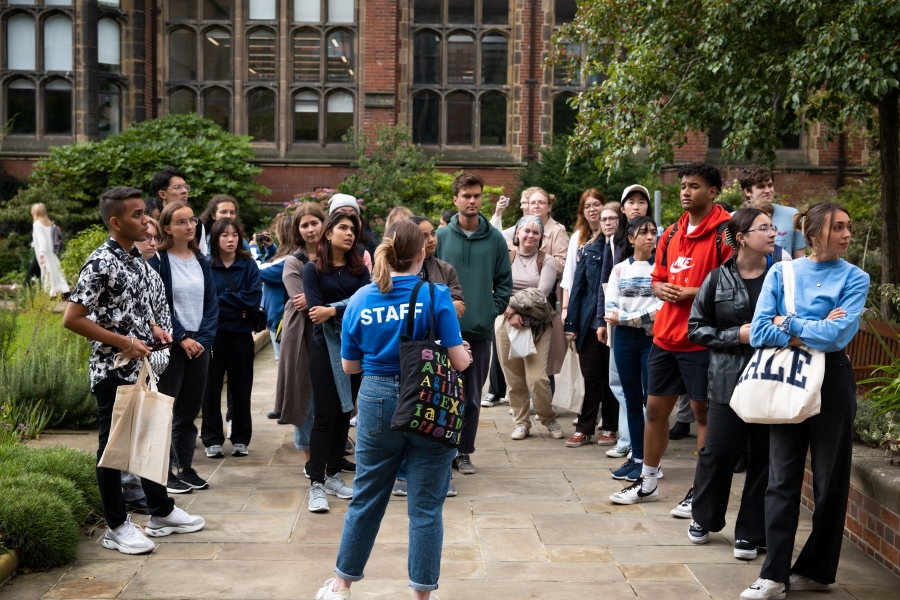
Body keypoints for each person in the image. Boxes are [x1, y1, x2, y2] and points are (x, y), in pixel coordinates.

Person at [315, 219, 470, 600]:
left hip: (377, 398)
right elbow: (460, 362)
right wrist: (460, 347)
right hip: (429, 401)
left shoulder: (361, 299)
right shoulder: (436, 296)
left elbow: (351, 367)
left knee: (367, 497)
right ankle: (421, 595)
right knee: (426, 508)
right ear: (422, 253)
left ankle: (341, 585)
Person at [63, 186, 204, 555]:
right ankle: (116, 525)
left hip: (141, 368)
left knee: (149, 439)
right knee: (113, 450)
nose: (146, 220)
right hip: (112, 371)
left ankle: (160, 511)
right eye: (138, 215)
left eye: (145, 212)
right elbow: (72, 318)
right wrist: (125, 342)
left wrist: (154, 328)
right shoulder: (100, 262)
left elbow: (135, 309)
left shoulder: (133, 259)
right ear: (116, 222)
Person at [740, 202, 869, 600]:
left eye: (849, 227)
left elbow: (837, 337)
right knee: (781, 480)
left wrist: (790, 323)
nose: (848, 234)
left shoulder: (856, 277)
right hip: (788, 378)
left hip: (832, 383)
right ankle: (773, 574)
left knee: (831, 483)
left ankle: (815, 571)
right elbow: (759, 331)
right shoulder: (783, 271)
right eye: (839, 228)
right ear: (813, 234)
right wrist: (811, 328)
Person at [610, 162, 732, 510]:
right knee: (654, 410)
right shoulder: (670, 234)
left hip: (702, 339)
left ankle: (701, 490)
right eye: (683, 186)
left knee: (703, 413)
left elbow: (733, 284)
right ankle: (647, 481)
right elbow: (658, 276)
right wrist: (662, 287)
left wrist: (691, 293)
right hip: (665, 336)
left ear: (712, 192)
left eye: (694, 186)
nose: (685, 191)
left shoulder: (725, 231)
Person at [684, 208, 781, 558]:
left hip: (771, 381)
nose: (772, 233)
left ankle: (750, 532)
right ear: (741, 238)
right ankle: (704, 516)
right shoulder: (716, 279)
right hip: (727, 380)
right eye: (764, 228)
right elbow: (696, 328)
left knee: (764, 459)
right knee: (718, 453)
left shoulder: (782, 277)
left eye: (773, 227)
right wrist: (736, 334)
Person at [435, 172, 513, 474]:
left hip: (479, 333)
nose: (472, 201)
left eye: (477, 195)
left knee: (471, 399)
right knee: (442, 396)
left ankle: (463, 451)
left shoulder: (494, 238)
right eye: (466, 196)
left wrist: (487, 310)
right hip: (442, 333)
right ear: (455, 199)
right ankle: (441, 452)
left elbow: (504, 283)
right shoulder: (439, 238)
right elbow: (427, 279)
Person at [392, 215, 466, 497]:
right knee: (408, 415)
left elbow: (459, 306)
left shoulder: (445, 269)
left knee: (441, 412)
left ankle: (442, 475)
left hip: (440, 353)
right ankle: (402, 476)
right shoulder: (397, 276)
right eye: (424, 235)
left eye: (433, 233)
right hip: (410, 356)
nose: (431, 239)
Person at [150, 201, 219, 495]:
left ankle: (185, 467)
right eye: (181, 222)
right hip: (171, 344)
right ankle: (163, 472)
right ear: (167, 228)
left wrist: (201, 340)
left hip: (198, 345)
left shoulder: (202, 261)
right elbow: (158, 304)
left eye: (191, 221)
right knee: (166, 409)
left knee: (189, 411)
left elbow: (211, 304)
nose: (189, 226)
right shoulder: (159, 261)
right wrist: (181, 338)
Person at [303, 211, 370, 513]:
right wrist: (338, 310)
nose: (349, 234)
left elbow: (367, 300)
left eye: (353, 230)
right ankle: (316, 483)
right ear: (328, 234)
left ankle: (332, 475)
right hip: (324, 347)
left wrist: (333, 311)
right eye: (343, 228)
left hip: (355, 346)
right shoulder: (311, 270)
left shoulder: (359, 271)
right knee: (325, 414)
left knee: (346, 412)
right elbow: (316, 311)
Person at [603, 216, 662, 481]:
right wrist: (636, 320)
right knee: (631, 400)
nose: (650, 237)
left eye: (653, 232)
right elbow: (610, 308)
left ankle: (653, 464)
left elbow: (661, 307)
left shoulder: (661, 269)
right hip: (625, 341)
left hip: (652, 340)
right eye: (644, 233)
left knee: (654, 403)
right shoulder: (618, 270)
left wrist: (627, 319)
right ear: (630, 238)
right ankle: (637, 457)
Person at [496, 216, 562, 441]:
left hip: (537, 325)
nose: (530, 236)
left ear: (541, 237)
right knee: (513, 377)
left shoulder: (547, 260)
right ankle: (522, 423)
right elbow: (494, 288)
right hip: (506, 324)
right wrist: (509, 314)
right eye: (526, 231)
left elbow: (540, 295)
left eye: (536, 232)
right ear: (517, 233)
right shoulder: (506, 257)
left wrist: (513, 309)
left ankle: (548, 418)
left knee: (537, 378)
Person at [201, 218, 263, 459]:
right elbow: (206, 301)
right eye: (224, 235)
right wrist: (235, 303)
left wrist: (221, 302)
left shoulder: (247, 264)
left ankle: (240, 438)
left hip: (240, 335)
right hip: (213, 336)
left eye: (234, 235)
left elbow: (253, 300)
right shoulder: (206, 265)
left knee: (241, 388)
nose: (230, 239)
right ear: (215, 239)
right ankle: (212, 439)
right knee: (210, 389)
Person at [563, 204, 624, 447]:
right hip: (590, 323)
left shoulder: (626, 250)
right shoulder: (589, 249)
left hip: (618, 322)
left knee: (612, 378)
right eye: (604, 218)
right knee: (590, 377)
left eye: (613, 218)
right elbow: (578, 288)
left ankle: (609, 426)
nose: (608, 223)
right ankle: (584, 427)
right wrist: (571, 323)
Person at [273, 203, 326, 468]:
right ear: (298, 230)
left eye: (314, 223)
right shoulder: (294, 261)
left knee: (334, 396)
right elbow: (302, 301)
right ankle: (309, 457)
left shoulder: (337, 256)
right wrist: (332, 298)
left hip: (334, 334)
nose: (310, 229)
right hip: (302, 334)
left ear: (323, 224)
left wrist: (324, 297)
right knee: (305, 393)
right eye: (304, 225)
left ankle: (333, 454)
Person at [740, 165, 806, 259]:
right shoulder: (735, 218)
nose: (768, 190)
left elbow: (800, 260)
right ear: (747, 192)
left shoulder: (792, 215)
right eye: (761, 186)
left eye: (770, 185)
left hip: (784, 271)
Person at [560, 189, 605, 320]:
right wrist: (565, 308)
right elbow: (569, 273)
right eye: (587, 206)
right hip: (582, 299)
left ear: (604, 206)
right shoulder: (577, 238)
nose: (592, 209)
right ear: (582, 212)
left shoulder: (611, 234)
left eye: (596, 204)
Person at [258, 213, 297, 363]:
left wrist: (254, 248)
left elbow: (258, 271)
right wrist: (270, 249)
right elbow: (272, 265)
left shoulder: (288, 261)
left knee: (285, 365)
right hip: (281, 320)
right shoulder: (290, 258)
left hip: (282, 322)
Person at [151, 167, 207, 255]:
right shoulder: (151, 223)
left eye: (185, 187)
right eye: (177, 187)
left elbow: (202, 256)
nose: (184, 191)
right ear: (162, 194)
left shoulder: (196, 224)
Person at [526, 187, 569, 279]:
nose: (536, 206)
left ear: (549, 207)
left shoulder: (558, 230)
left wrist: (534, 257)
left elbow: (563, 264)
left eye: (541, 202)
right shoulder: (523, 229)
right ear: (529, 207)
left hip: (550, 289)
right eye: (532, 203)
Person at [30, 203, 70, 297]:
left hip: (44, 253)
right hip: (51, 253)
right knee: (56, 272)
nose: (31, 212)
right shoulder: (49, 223)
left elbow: (41, 241)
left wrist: (41, 255)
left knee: (47, 273)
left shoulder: (37, 224)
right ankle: (65, 291)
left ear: (37, 212)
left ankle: (51, 294)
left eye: (33, 210)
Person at [328, 193, 374, 273]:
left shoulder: (363, 254)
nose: (347, 217)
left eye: (352, 214)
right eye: (342, 213)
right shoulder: (316, 255)